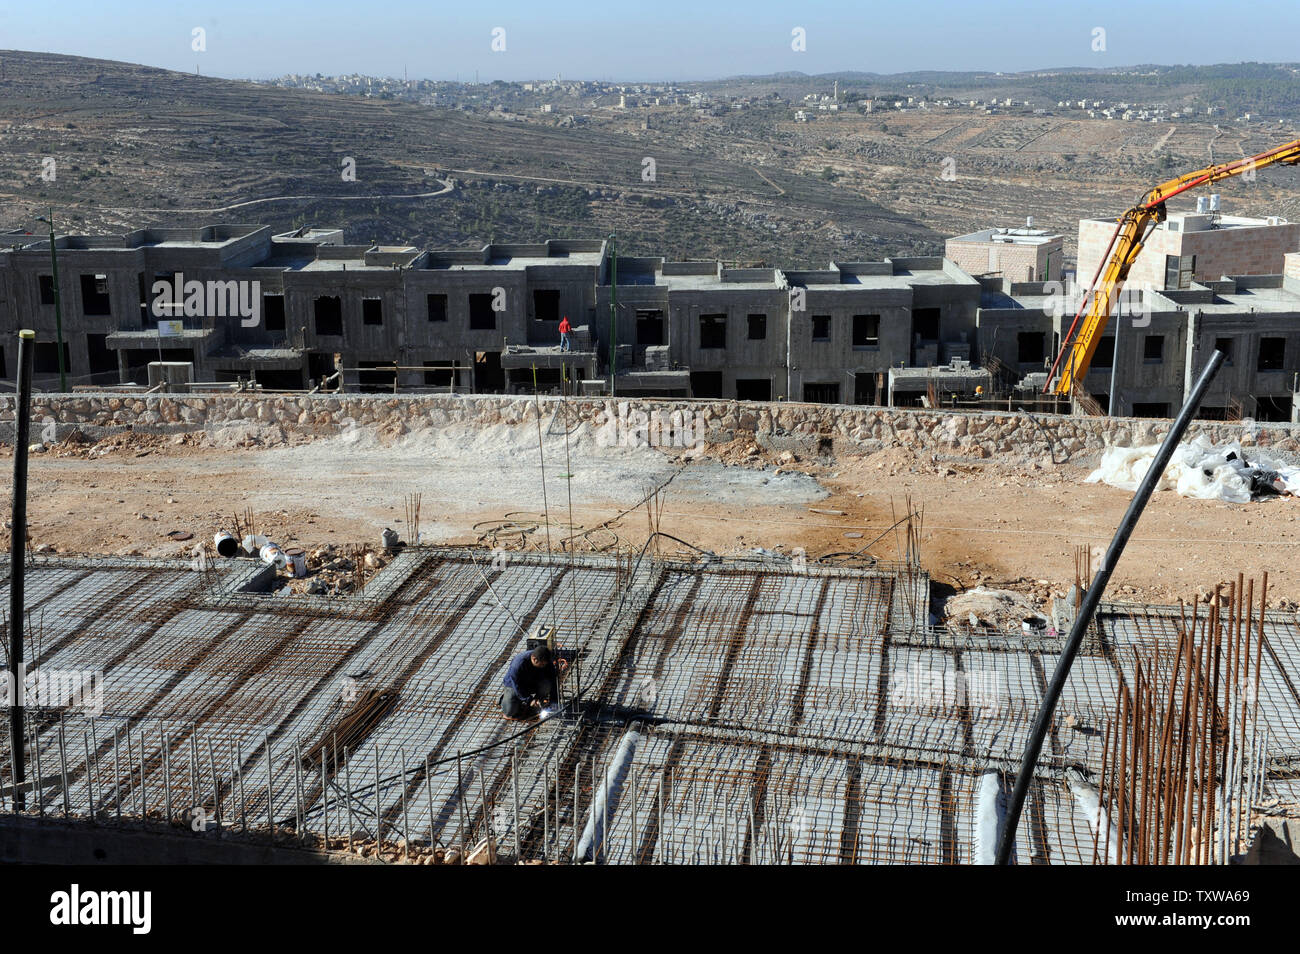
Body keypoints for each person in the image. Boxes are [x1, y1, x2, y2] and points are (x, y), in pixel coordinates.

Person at [500, 645, 567, 719]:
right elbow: (517, 686)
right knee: (510, 711)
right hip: (515, 685)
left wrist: (554, 701)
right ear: (534, 659)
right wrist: (529, 700)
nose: (543, 666)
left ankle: (537, 701)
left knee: (546, 685)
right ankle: (506, 699)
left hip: (532, 681)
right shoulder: (518, 664)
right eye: (542, 664)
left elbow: (553, 680)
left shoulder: (546, 662)